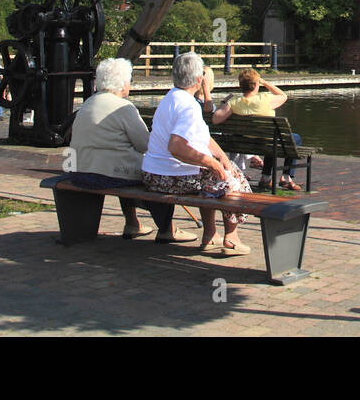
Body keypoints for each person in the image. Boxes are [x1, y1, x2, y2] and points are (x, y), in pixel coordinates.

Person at [70, 58, 194, 242]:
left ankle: (132, 223)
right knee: (157, 172)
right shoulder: (123, 107)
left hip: (79, 170)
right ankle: (168, 229)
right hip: (107, 174)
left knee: (124, 166)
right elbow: (145, 144)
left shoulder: (88, 103)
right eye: (129, 80)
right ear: (121, 83)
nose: (130, 84)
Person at [142, 52, 252, 256]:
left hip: (152, 174)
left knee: (215, 176)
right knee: (233, 180)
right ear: (200, 80)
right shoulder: (189, 106)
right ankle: (232, 237)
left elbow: (203, 136)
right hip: (169, 177)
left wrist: (222, 158)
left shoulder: (169, 99)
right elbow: (176, 146)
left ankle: (210, 235)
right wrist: (212, 163)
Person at [212, 69, 302, 191]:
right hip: (269, 142)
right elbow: (283, 96)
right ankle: (286, 177)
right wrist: (265, 83)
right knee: (294, 138)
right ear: (255, 85)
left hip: (248, 144)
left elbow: (216, 119)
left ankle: (266, 177)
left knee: (272, 139)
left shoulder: (234, 102)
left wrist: (224, 102)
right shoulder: (265, 98)